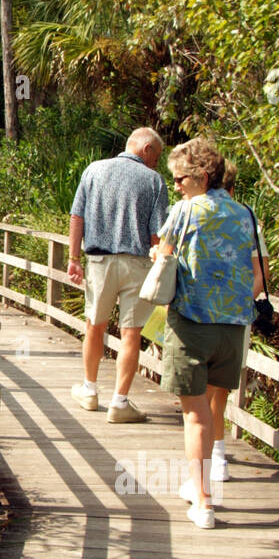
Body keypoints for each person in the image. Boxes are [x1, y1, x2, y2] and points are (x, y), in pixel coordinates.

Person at [152, 138, 258, 529]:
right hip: (232, 328)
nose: (177, 185)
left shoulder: (184, 211)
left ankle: (203, 501)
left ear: (201, 175)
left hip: (192, 323)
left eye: (180, 178)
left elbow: (164, 257)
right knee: (214, 409)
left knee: (195, 417)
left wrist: (158, 255)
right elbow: (252, 268)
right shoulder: (245, 214)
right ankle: (199, 485)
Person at [66, 127, 169, 423]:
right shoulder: (154, 181)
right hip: (138, 264)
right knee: (131, 333)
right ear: (146, 149)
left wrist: (74, 258)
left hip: (100, 261)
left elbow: (77, 216)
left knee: (94, 325)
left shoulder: (94, 170)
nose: (157, 162)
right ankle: (119, 403)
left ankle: (89, 390)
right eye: (157, 156)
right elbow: (157, 234)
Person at [206, 158, 268, 483]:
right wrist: (239, 303)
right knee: (219, 388)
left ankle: (210, 458)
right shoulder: (248, 218)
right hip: (235, 314)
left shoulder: (193, 212)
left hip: (202, 313)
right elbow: (261, 274)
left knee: (204, 390)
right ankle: (215, 455)